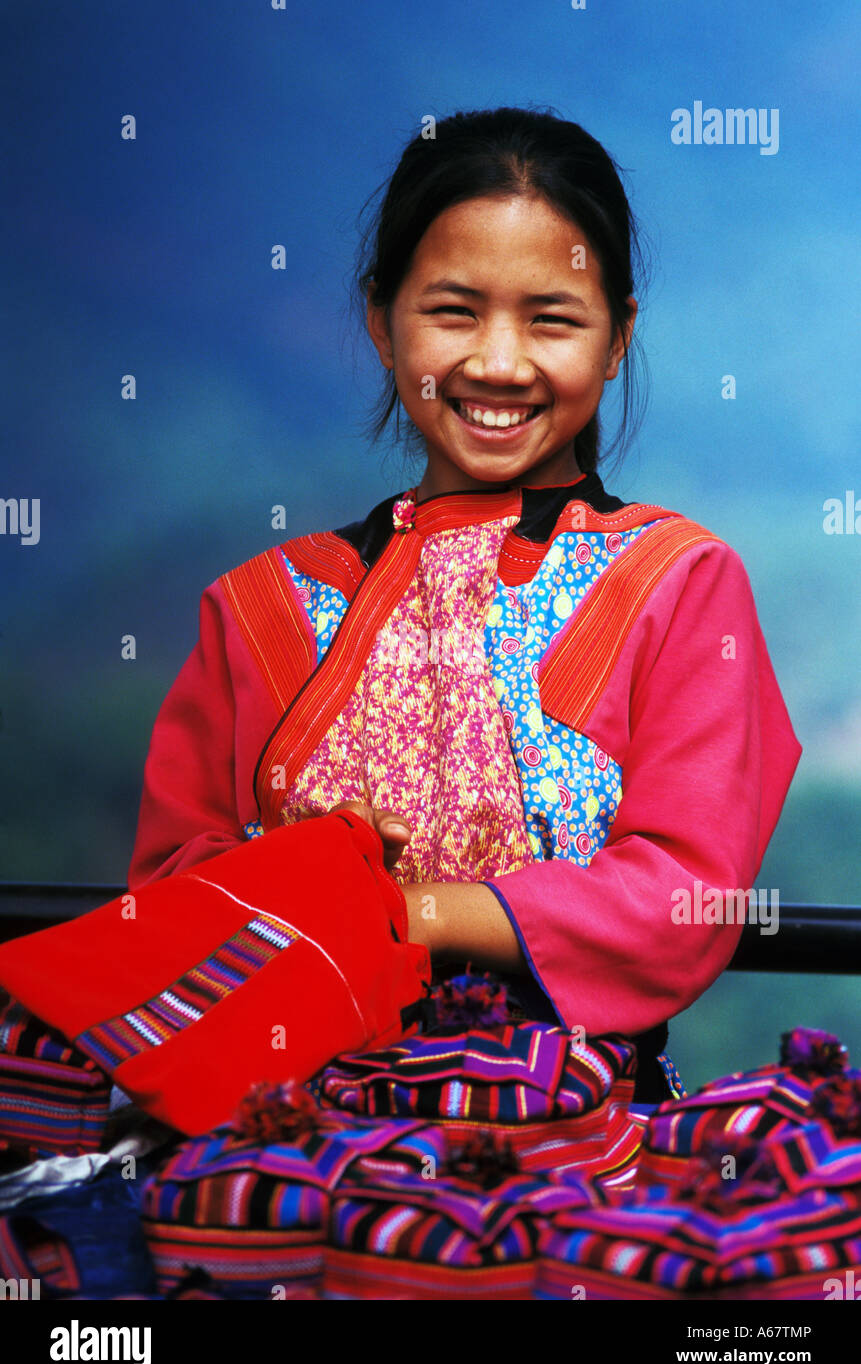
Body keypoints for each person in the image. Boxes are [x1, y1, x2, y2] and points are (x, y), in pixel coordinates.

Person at [127, 107, 802, 1102]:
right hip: (274, 1153)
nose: (497, 361)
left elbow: (681, 903)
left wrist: (423, 913)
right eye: (453, 311)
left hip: (572, 1165)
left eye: (552, 317)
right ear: (379, 319)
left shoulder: (678, 583)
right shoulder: (263, 609)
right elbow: (169, 911)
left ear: (618, 338)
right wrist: (308, 873)